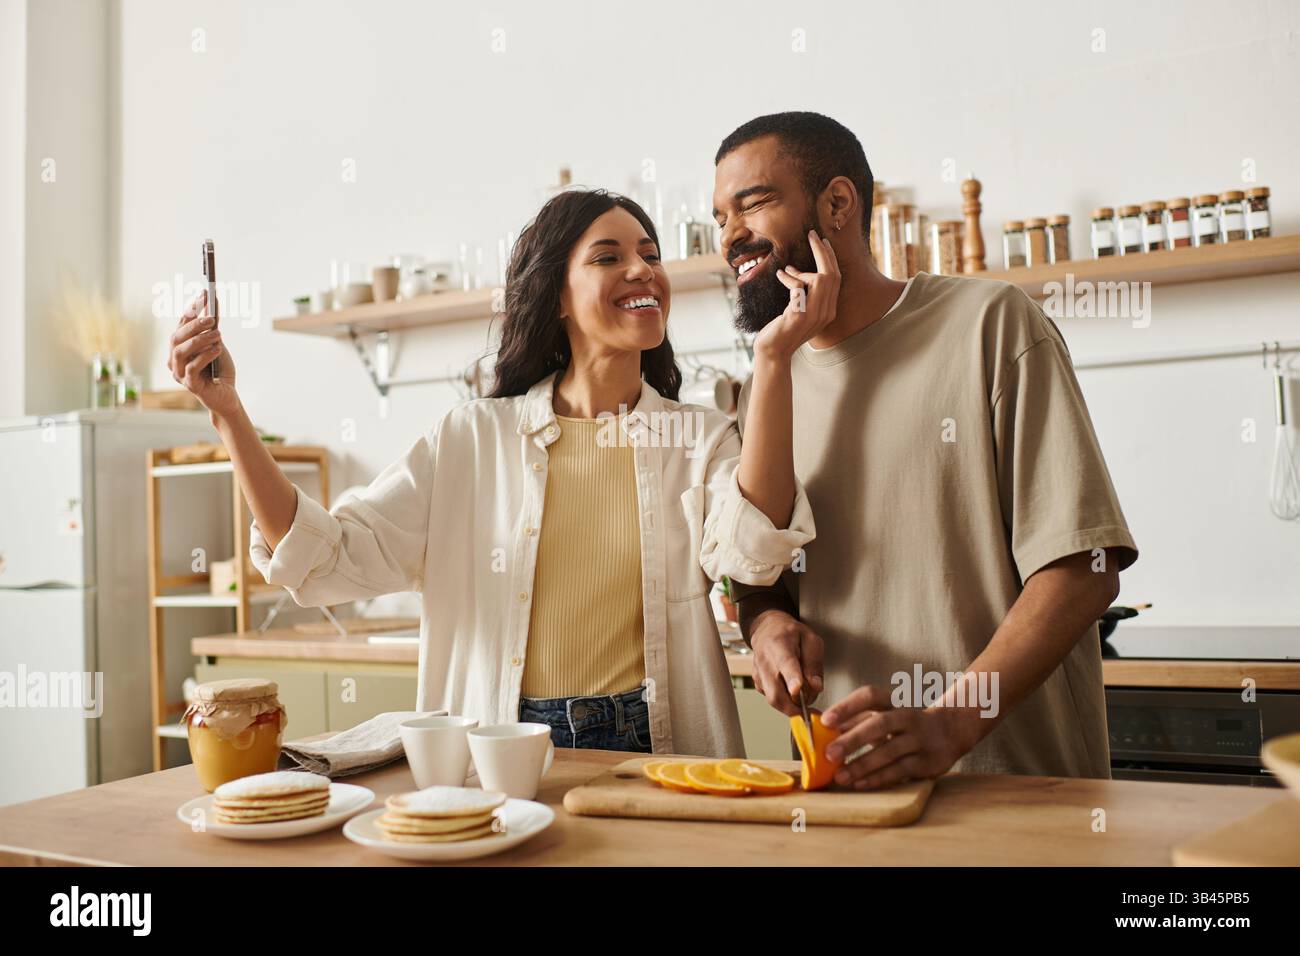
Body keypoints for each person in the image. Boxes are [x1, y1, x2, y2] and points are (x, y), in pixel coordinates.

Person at [166, 187, 826, 757]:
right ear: (557, 296)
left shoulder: (697, 437)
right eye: (609, 257)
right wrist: (227, 413)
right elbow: (323, 560)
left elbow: (757, 550)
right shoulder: (472, 439)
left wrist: (771, 362)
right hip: (501, 743)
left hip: (657, 740)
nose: (643, 271)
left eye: (651, 254)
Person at [712, 111, 1139, 785]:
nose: (732, 237)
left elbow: (1083, 569)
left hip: (1020, 796)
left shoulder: (990, 325)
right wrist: (764, 627)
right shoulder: (770, 378)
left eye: (753, 204)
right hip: (855, 796)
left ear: (838, 203)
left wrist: (949, 723)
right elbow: (758, 578)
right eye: (718, 220)